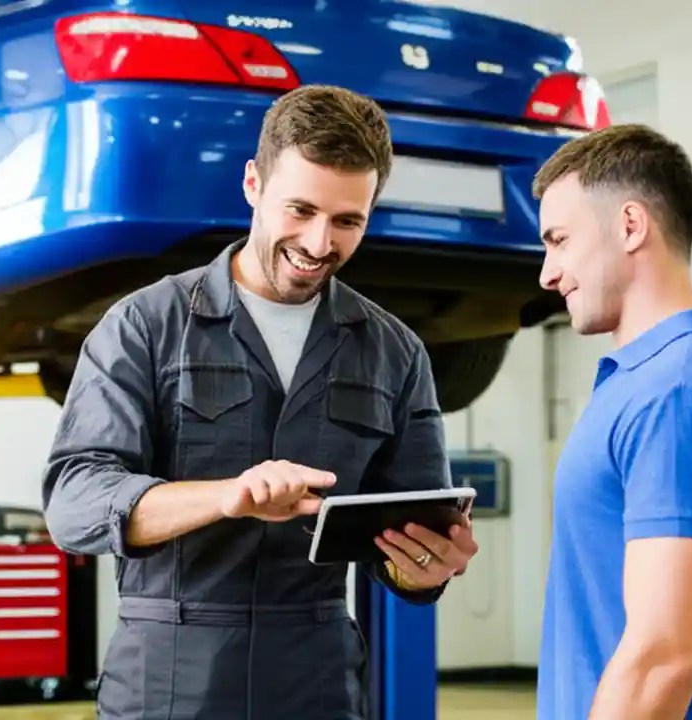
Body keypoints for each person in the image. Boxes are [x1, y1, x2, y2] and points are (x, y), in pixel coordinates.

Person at [41, 84, 479, 720]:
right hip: (168, 681)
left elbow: (405, 545)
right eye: (299, 209)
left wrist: (426, 566)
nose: (319, 243)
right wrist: (226, 496)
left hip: (317, 681)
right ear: (253, 184)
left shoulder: (395, 353)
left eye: (347, 220)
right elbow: (75, 503)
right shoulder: (146, 325)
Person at [531, 124, 692, 720]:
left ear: (631, 226)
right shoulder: (641, 380)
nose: (547, 272)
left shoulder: (679, 390)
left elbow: (664, 658)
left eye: (559, 240)